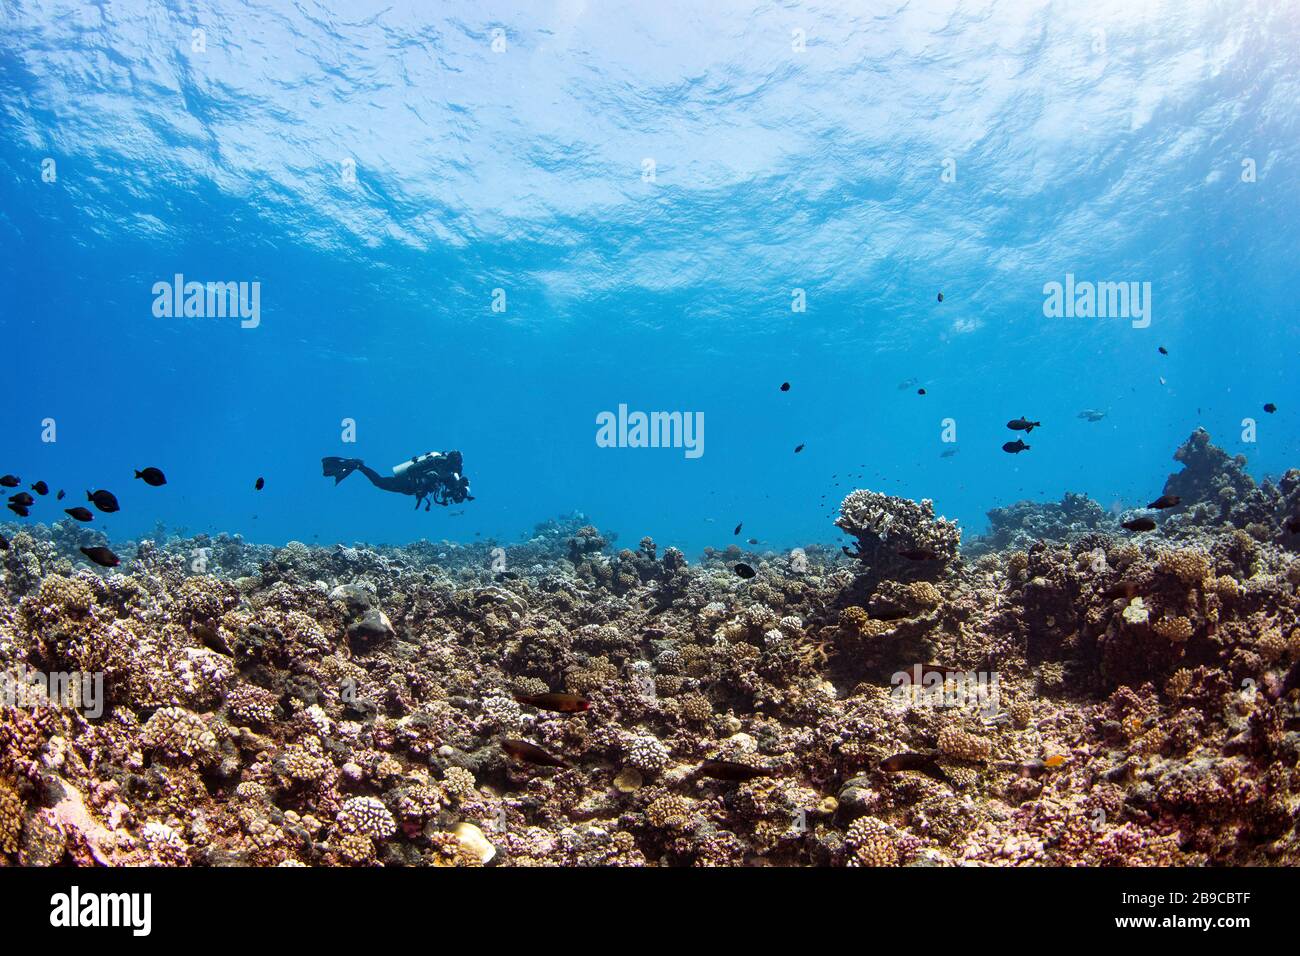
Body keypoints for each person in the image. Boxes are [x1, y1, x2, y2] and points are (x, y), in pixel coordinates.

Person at [322, 450, 473, 511]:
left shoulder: (452, 472)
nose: (454, 469)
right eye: (453, 466)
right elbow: (411, 470)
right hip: (408, 482)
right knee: (379, 482)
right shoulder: (436, 462)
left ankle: (357, 466)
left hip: (413, 490)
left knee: (380, 483)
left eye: (456, 467)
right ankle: (357, 465)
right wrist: (428, 476)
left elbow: (452, 490)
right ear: (449, 461)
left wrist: (463, 491)